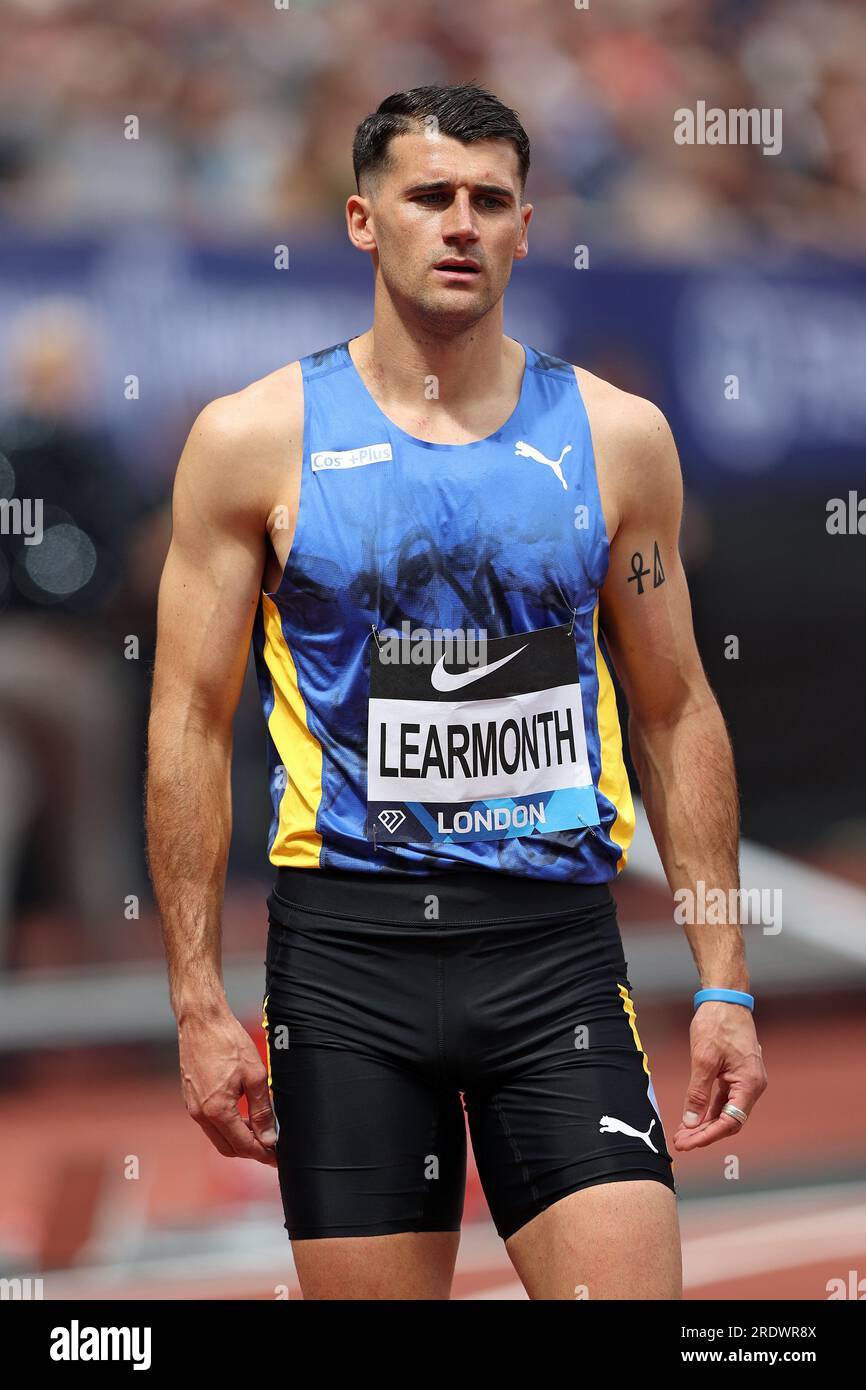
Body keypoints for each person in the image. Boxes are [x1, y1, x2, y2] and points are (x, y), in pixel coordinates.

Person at [146, 83, 767, 1300]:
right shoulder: (251, 439)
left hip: (554, 960)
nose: (460, 224)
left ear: (526, 226)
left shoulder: (615, 436)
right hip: (345, 963)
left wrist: (726, 976)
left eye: (488, 200)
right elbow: (187, 717)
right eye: (429, 196)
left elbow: (676, 706)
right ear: (362, 220)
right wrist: (195, 1000)